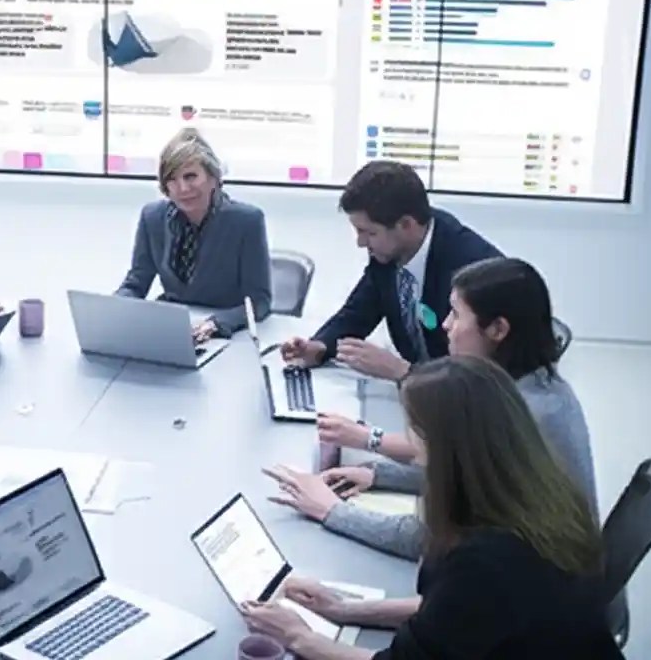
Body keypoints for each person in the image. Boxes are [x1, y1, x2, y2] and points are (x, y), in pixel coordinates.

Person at [242, 356, 622, 659]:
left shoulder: (486, 558)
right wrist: (343, 609)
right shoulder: (534, 491)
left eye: (415, 433)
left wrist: (300, 637)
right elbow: (448, 611)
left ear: (446, 449)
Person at [265, 257, 598, 560]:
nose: (445, 326)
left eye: (456, 314)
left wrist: (330, 510)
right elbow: (468, 478)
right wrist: (377, 474)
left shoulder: (519, 415)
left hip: (531, 595)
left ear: (498, 329)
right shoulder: (529, 386)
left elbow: (428, 540)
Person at [281, 160, 501, 380]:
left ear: (406, 225)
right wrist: (320, 347)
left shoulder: (474, 271)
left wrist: (403, 372)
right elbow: (360, 310)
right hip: (416, 396)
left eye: (369, 233)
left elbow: (478, 378)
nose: (360, 242)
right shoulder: (389, 251)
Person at [115, 128, 272, 340]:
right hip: (173, 330)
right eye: (172, 179)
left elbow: (259, 301)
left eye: (191, 177)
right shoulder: (152, 218)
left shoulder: (247, 221)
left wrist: (216, 324)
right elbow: (136, 283)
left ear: (213, 178)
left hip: (225, 334)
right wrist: (115, 309)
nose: (182, 188)